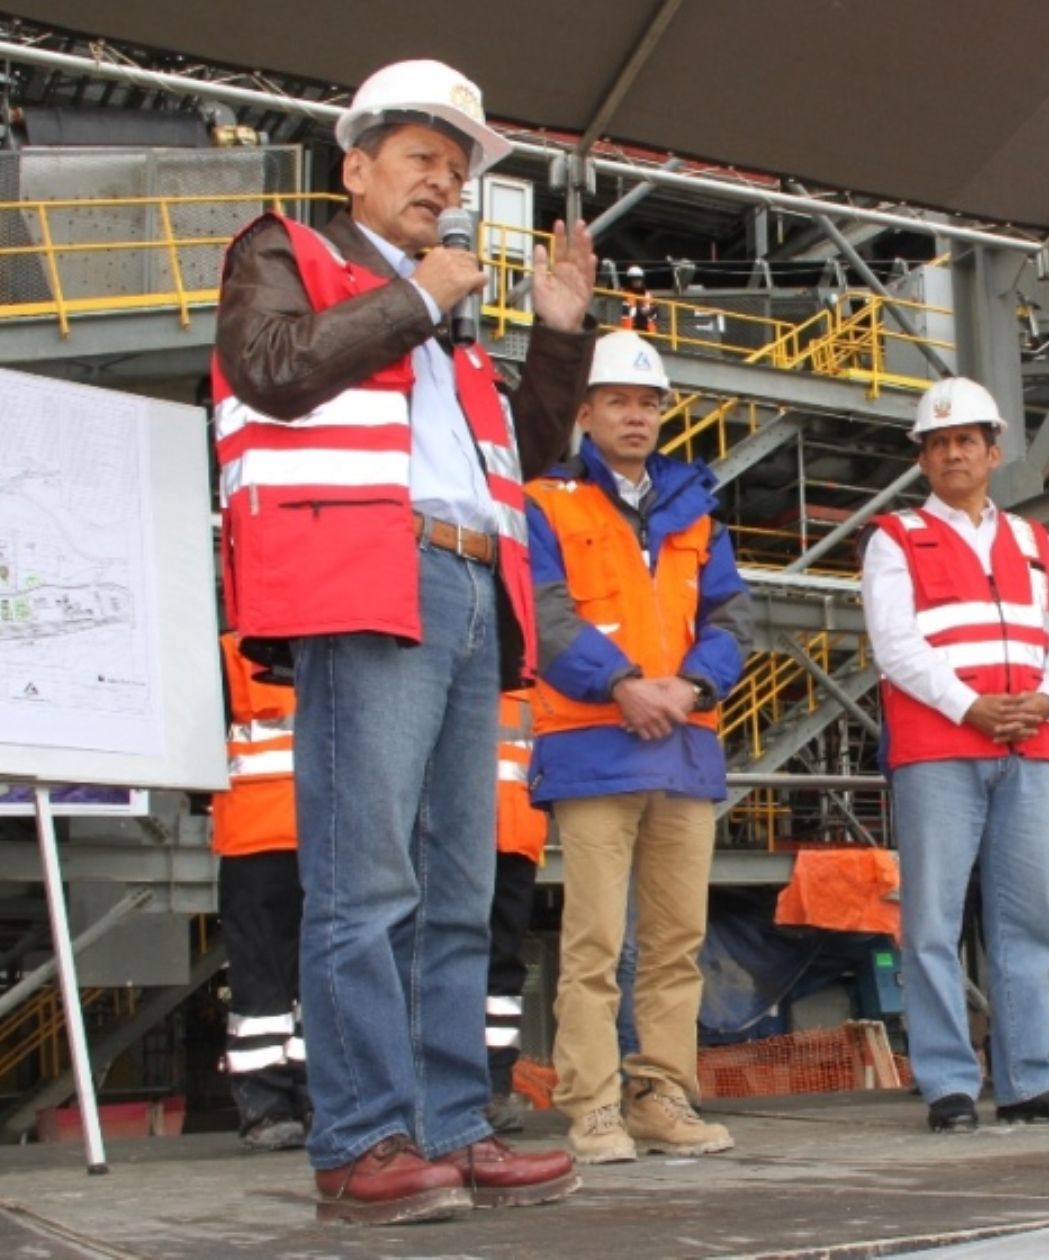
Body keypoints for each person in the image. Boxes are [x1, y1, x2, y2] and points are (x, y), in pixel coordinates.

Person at [212, 58, 594, 1223]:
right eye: (424, 159)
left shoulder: (452, 318)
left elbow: (517, 454)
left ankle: (449, 1126)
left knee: (455, 885)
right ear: (357, 165)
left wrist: (561, 335)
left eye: (459, 166)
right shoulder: (291, 254)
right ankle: (363, 1138)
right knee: (364, 877)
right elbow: (272, 370)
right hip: (370, 582)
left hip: (473, 587)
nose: (445, 182)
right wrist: (422, 298)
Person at [860, 376, 1049, 1133]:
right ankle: (949, 1083)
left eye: (965, 440)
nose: (951, 454)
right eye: (937, 444)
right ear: (924, 458)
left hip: (1030, 743)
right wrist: (969, 705)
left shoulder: (1037, 544)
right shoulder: (895, 539)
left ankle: (1032, 1076)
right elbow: (895, 643)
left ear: (992, 451)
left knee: (1026, 916)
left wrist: (1047, 699)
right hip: (941, 744)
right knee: (934, 920)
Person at [525, 330, 752, 1164]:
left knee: (674, 941)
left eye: (649, 403)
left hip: (684, 749)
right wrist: (622, 683)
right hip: (595, 746)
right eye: (619, 400)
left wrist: (688, 689)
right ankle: (590, 1105)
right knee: (591, 945)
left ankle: (660, 1094)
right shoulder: (546, 502)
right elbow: (546, 615)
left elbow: (732, 619)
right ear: (584, 412)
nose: (636, 416)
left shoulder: (698, 511)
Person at [213, 632, 309, 1153]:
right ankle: (269, 1104)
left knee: (314, 976)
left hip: (315, 838)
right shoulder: (228, 655)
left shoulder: (227, 655)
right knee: (263, 979)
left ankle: (292, 1101)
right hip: (260, 841)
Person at [485, 691, 550, 1133]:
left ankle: (494, 1083)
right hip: (455, 841)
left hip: (516, 840)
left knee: (502, 972)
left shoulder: (531, 687)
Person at [620, 264, 659, 334]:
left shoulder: (648, 295)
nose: (638, 282)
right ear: (629, 281)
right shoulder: (623, 293)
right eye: (635, 280)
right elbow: (623, 311)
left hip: (647, 332)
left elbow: (655, 313)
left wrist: (651, 311)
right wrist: (641, 311)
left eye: (639, 279)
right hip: (629, 332)